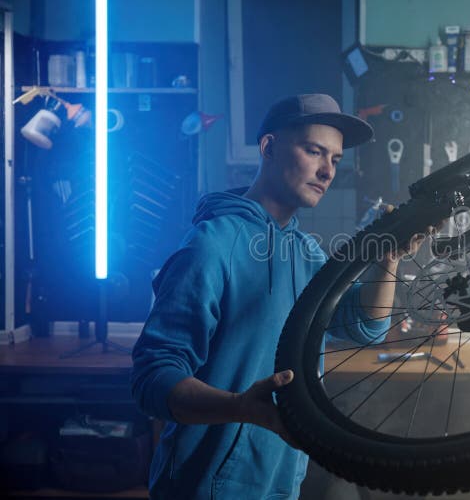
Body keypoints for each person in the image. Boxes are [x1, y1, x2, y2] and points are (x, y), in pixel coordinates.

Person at [131, 94, 404, 499]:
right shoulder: (211, 245)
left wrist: (389, 257)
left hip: (280, 483)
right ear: (269, 148)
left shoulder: (306, 252)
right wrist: (240, 406)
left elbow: (365, 327)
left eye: (335, 159)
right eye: (314, 151)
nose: (327, 171)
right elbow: (152, 378)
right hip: (203, 488)